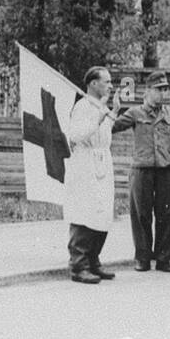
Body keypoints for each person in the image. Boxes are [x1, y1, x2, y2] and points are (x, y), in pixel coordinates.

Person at [117, 71, 170, 272]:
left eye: (164, 90)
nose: (162, 94)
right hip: (142, 169)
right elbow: (113, 126)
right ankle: (142, 257)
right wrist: (110, 110)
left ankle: (164, 258)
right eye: (158, 90)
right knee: (141, 214)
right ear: (148, 90)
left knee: (166, 214)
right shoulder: (135, 113)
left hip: (166, 169)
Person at [64, 66, 123, 283]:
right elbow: (76, 134)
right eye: (106, 82)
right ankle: (79, 266)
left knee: (102, 212)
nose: (110, 85)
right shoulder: (82, 106)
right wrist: (98, 117)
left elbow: (104, 134)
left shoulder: (100, 106)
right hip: (85, 163)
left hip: (102, 161)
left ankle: (93, 261)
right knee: (84, 211)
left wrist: (113, 113)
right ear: (93, 84)